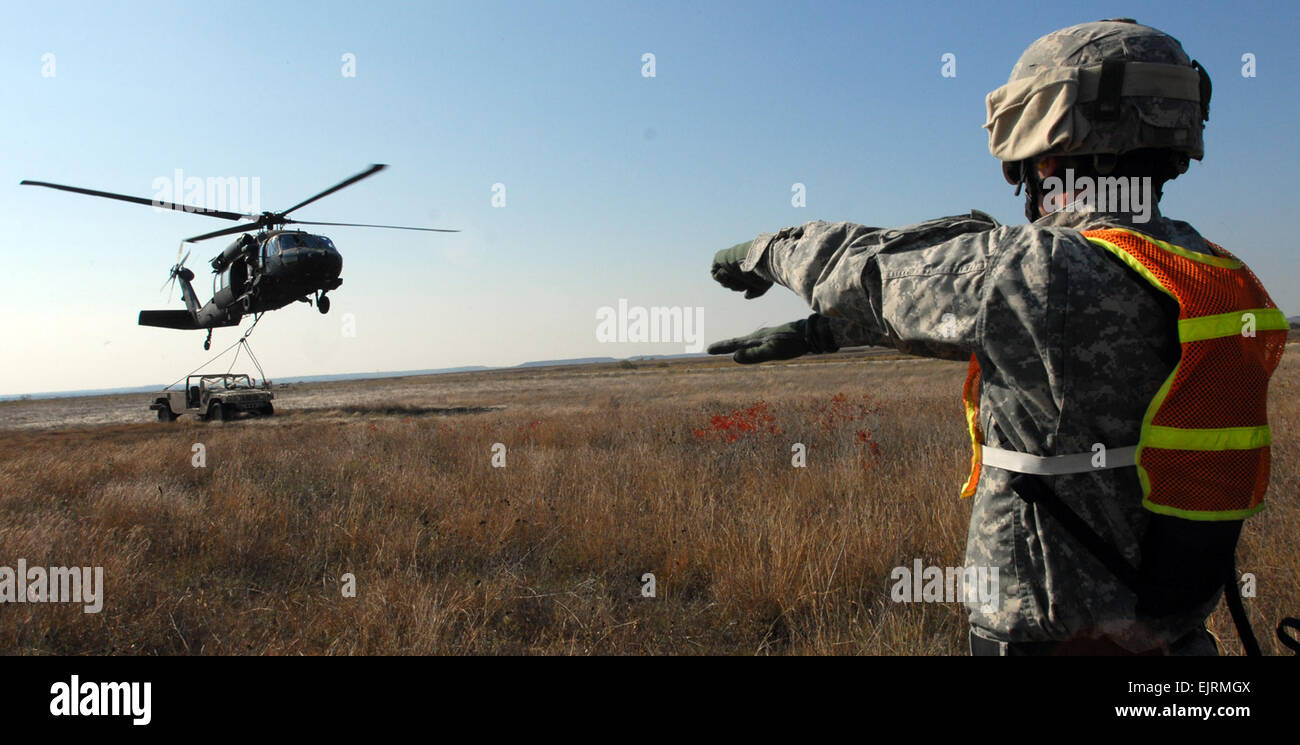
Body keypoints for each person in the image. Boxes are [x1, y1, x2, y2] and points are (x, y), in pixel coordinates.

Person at [707, 18, 1288, 655]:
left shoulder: (1044, 269)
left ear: (1049, 140)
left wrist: (767, 249)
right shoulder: (1210, 268)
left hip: (1055, 631)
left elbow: (873, 272)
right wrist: (826, 332)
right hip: (1172, 635)